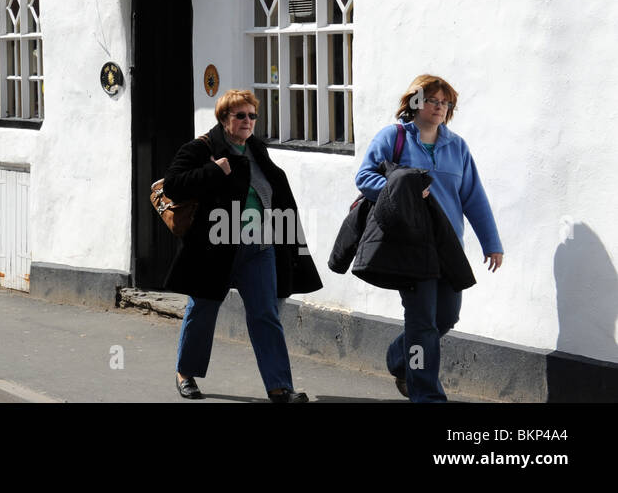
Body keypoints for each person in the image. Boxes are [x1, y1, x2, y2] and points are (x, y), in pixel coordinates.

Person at [161, 89, 321, 402]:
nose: (248, 121)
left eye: (252, 115)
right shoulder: (201, 148)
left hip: (258, 248)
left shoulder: (255, 148)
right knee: (203, 311)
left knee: (265, 314)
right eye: (240, 115)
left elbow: (272, 190)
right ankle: (186, 373)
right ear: (224, 118)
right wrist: (213, 170)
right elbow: (173, 186)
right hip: (216, 246)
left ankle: (279, 387)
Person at [355, 74, 503, 403]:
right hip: (409, 248)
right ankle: (426, 395)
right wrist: (403, 190)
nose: (439, 107)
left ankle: (400, 357)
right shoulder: (393, 138)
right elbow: (365, 178)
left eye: (445, 103)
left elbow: (474, 198)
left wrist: (491, 243)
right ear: (416, 102)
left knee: (445, 317)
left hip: (448, 249)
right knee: (423, 325)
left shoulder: (457, 146)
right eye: (433, 100)